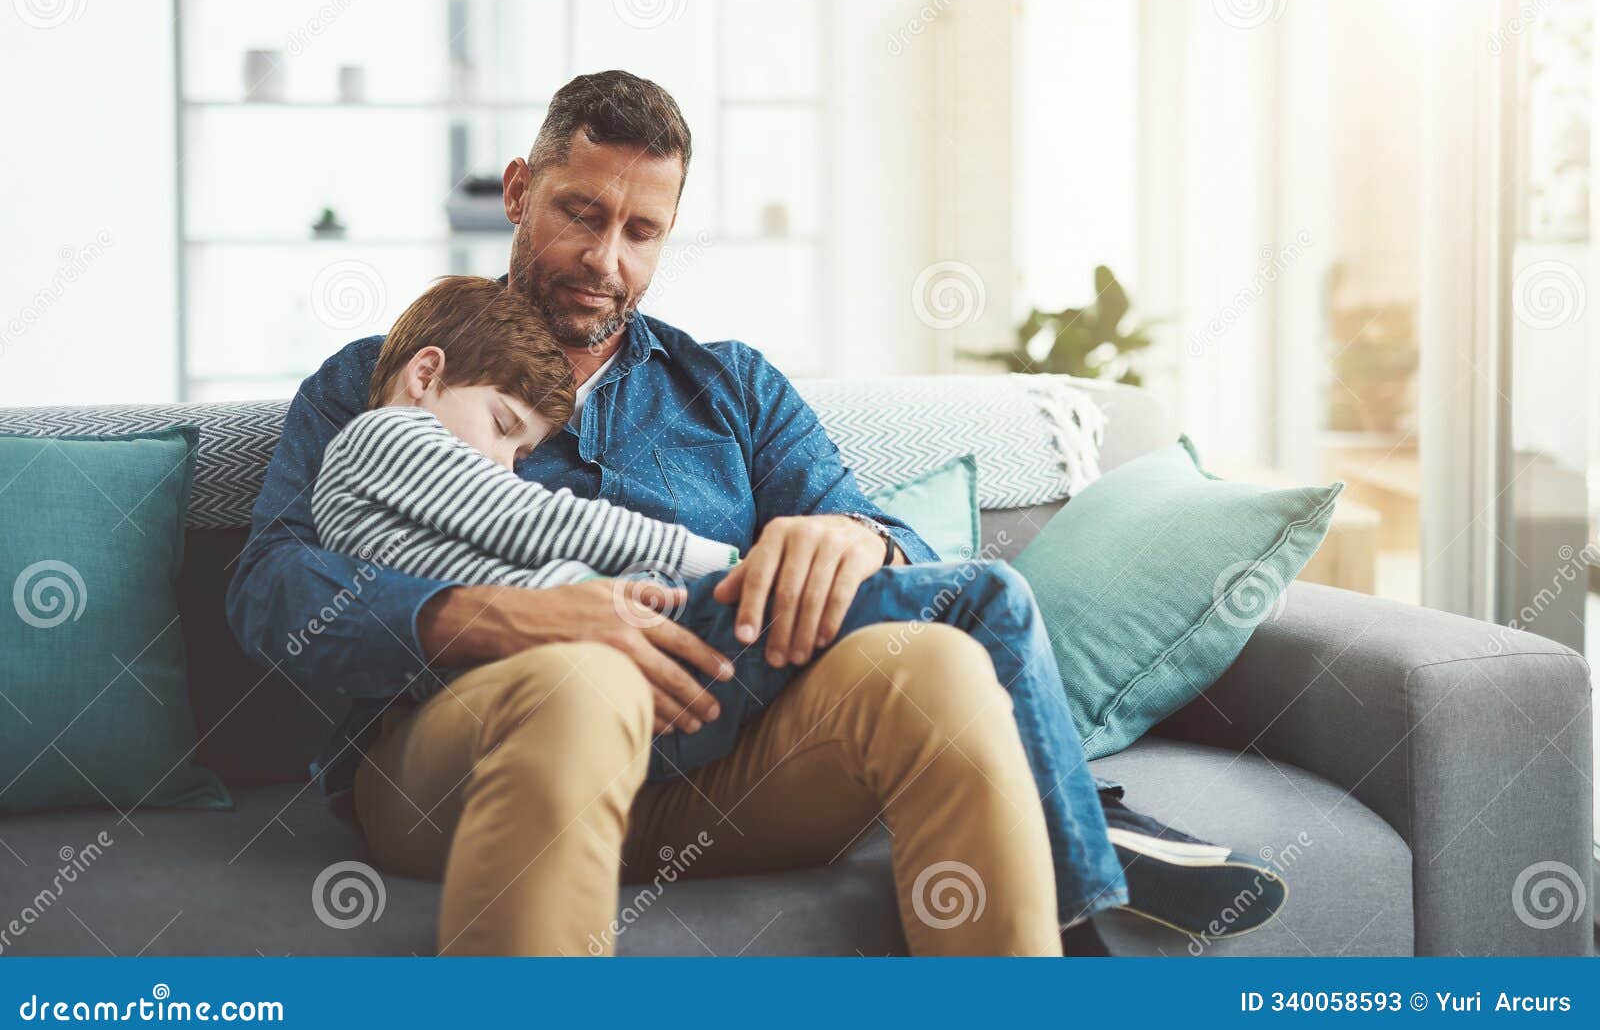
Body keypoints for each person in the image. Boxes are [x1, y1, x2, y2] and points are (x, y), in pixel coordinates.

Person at [228, 69, 1279, 957]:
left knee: (942, 660)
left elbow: (884, 547)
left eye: (642, 230)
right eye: (581, 214)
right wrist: (506, 618)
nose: (607, 260)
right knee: (580, 675)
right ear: (518, 191)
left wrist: (854, 535)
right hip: (465, 754)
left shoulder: (731, 388)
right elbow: (268, 591)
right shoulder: (386, 379)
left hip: (720, 766)